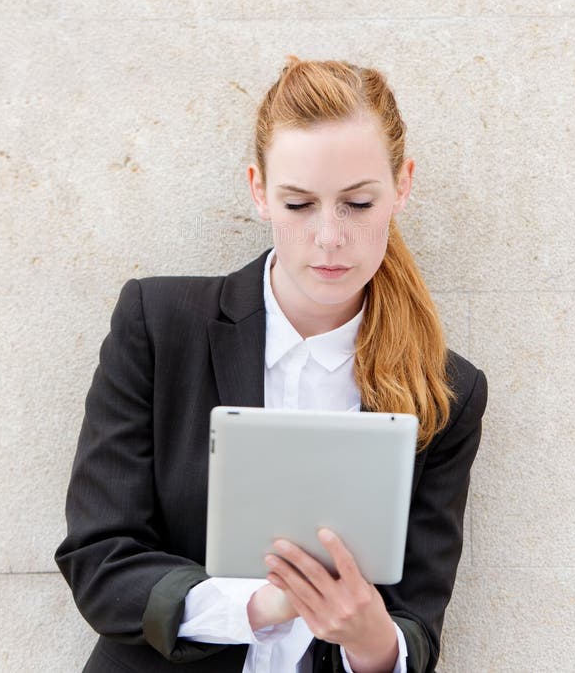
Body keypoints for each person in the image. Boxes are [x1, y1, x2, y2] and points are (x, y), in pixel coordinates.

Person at [55, 57, 488, 673]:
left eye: (358, 204)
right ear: (259, 191)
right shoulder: (157, 323)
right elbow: (99, 557)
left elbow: (416, 624)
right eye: (299, 204)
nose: (329, 237)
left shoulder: (448, 390)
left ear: (403, 186)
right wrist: (263, 605)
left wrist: (369, 639)